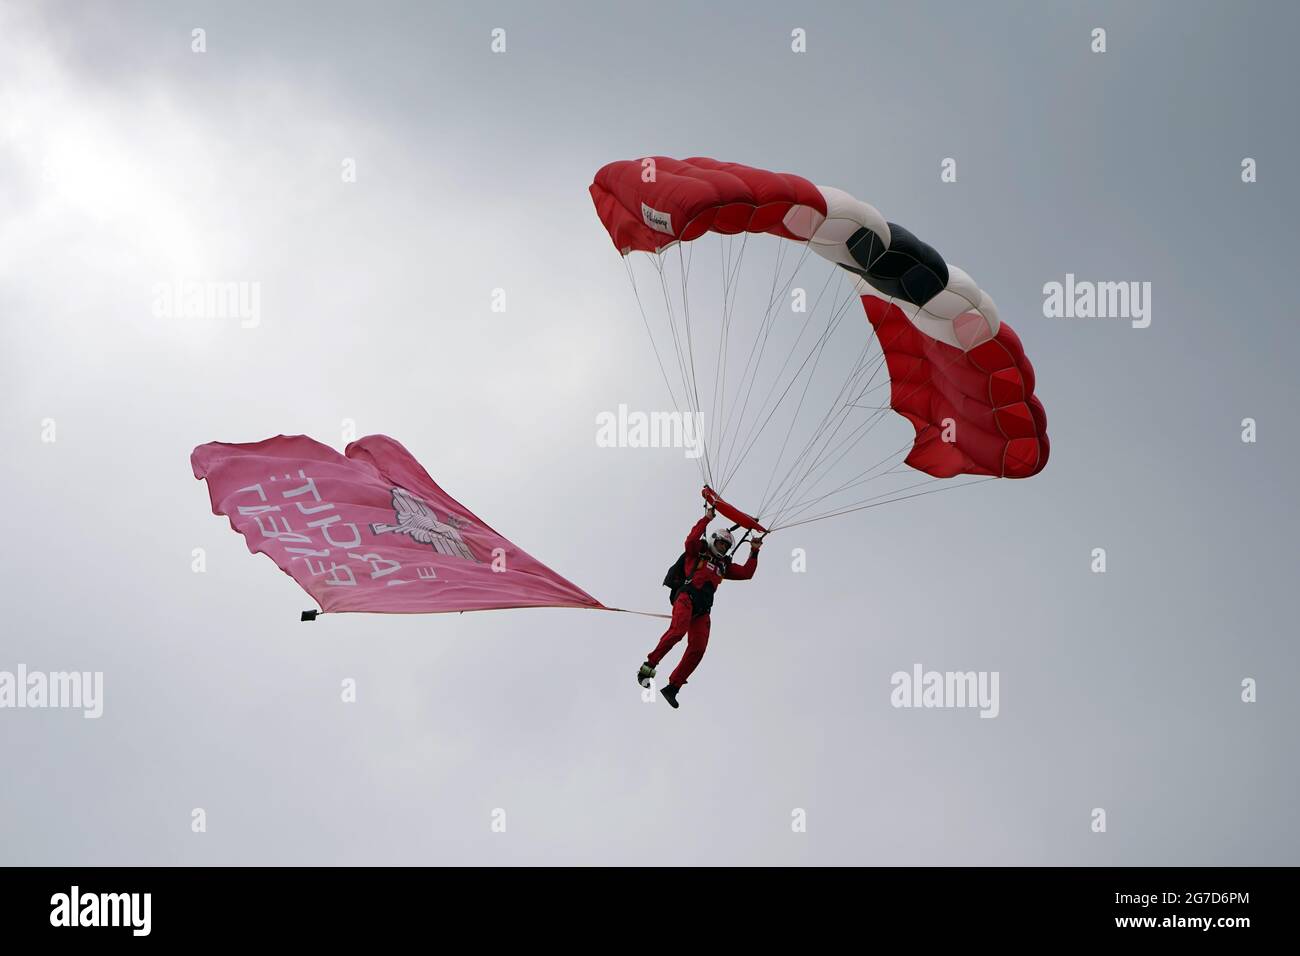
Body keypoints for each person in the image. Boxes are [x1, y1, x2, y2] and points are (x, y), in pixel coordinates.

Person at [637, 501, 762, 709]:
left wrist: (754, 551)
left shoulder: (724, 565)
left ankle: (673, 687)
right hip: (686, 598)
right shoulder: (698, 551)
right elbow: (691, 540)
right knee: (678, 632)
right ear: (714, 540)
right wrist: (707, 518)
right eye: (721, 543)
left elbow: (747, 573)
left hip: (703, 611)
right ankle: (648, 666)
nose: (723, 548)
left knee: (698, 648)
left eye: (726, 546)